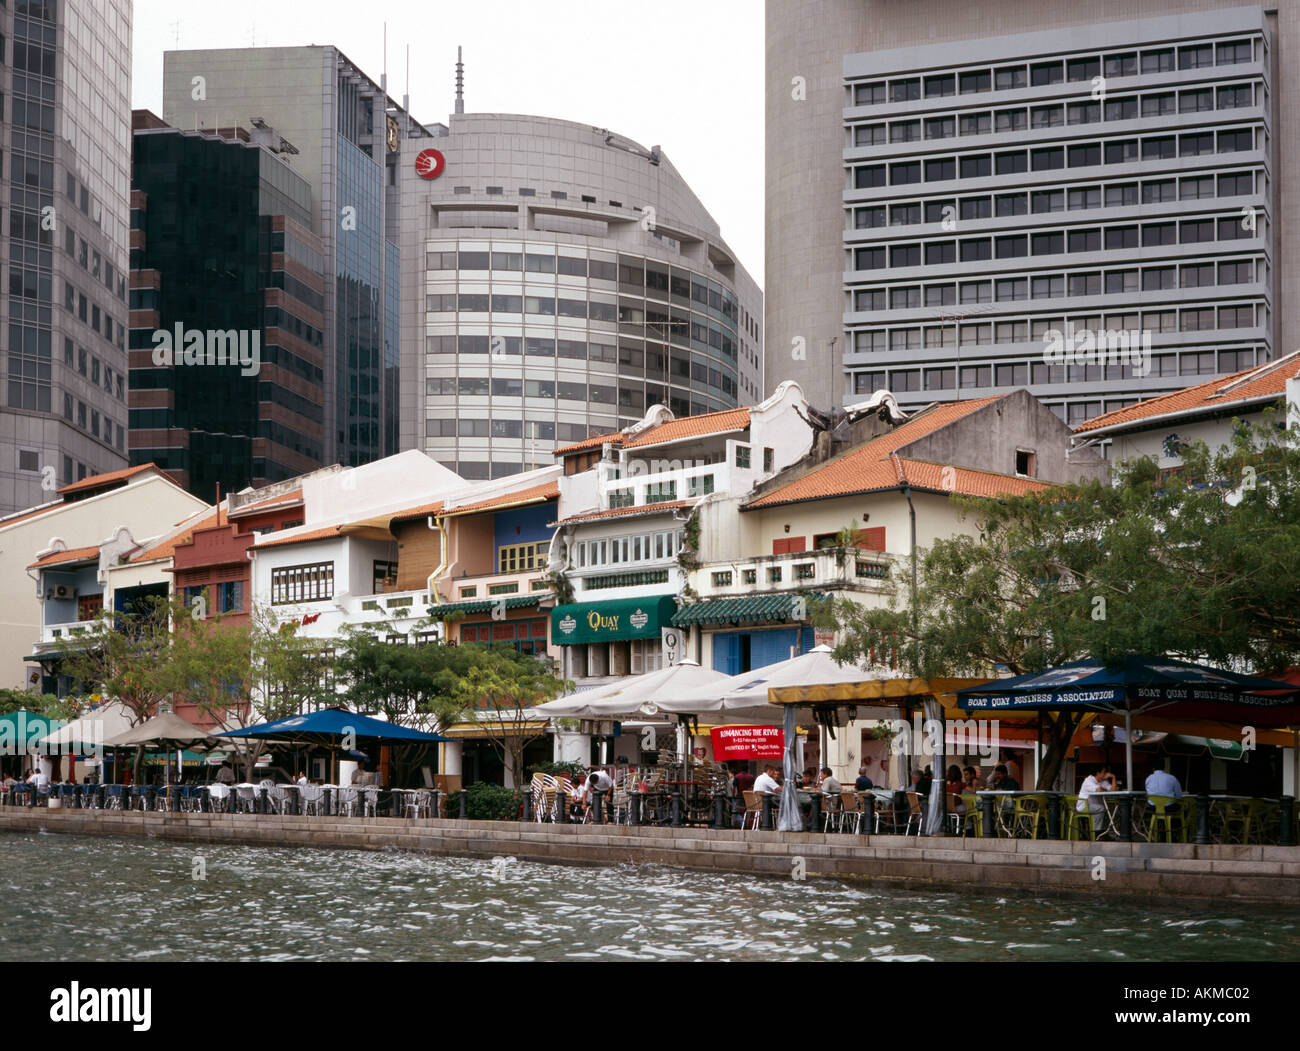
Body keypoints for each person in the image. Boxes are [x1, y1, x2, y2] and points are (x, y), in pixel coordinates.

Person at [1078, 763, 1116, 833]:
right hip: (1084, 806)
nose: (1105, 774)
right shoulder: (1089, 780)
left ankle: (1104, 832)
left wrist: (1113, 777)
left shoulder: (1103, 781)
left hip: (1093, 805)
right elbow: (1099, 790)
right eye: (1104, 772)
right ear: (1098, 773)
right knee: (1101, 808)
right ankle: (1096, 832)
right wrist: (1106, 790)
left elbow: (1113, 790)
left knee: (1108, 809)